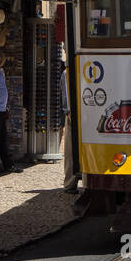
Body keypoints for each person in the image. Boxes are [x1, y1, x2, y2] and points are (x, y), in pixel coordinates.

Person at [60, 59, 78, 193]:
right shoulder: (67, 73)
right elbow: (66, 95)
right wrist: (69, 112)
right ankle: (70, 182)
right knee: (70, 150)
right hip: (73, 114)